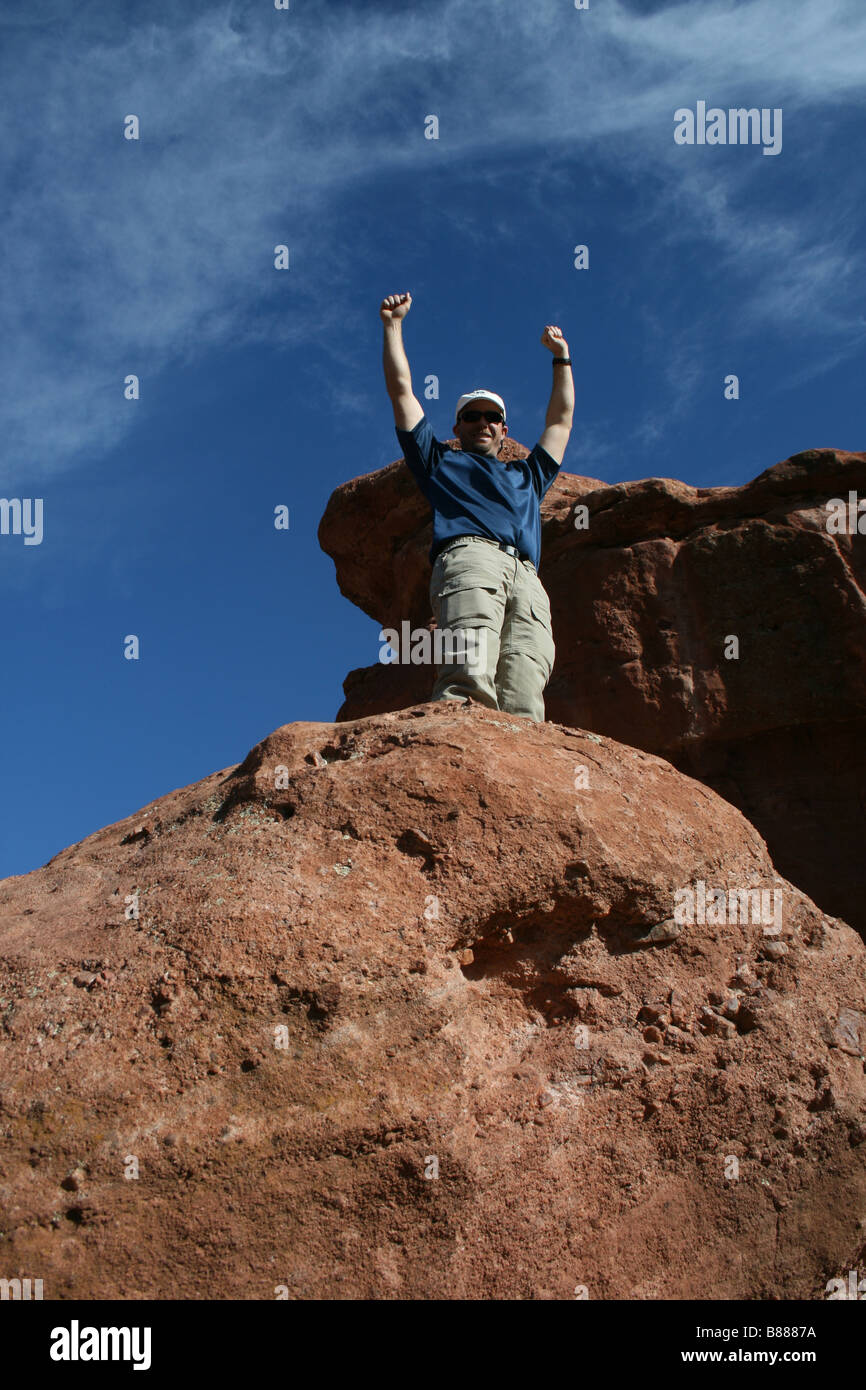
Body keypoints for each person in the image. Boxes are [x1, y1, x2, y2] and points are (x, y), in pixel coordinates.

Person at [380, 291, 574, 723]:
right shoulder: (438, 461)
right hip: (470, 558)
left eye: (491, 416)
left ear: (504, 429)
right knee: (467, 677)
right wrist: (393, 327)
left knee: (526, 698)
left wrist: (562, 358)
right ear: (457, 427)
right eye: (472, 416)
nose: (482, 422)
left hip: (527, 576)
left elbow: (561, 421)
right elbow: (402, 393)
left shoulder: (528, 476)